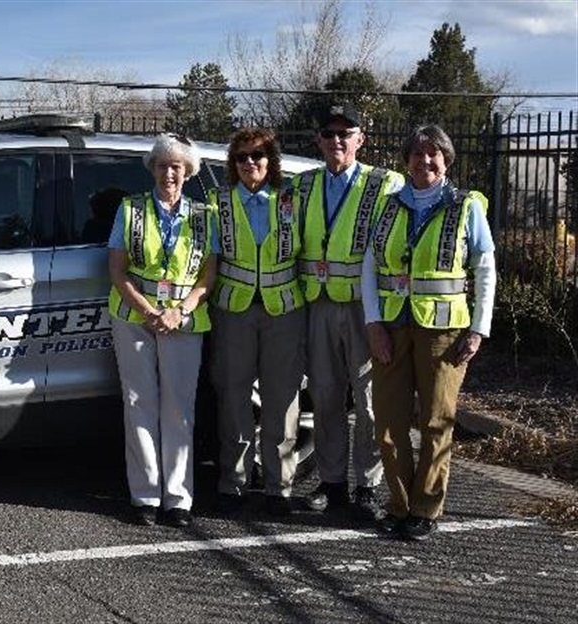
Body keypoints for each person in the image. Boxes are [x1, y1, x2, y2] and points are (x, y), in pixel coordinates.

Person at [363, 124, 496, 540]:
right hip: (392, 326)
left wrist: (478, 330)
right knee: (387, 423)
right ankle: (399, 504)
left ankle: (426, 508)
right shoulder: (388, 205)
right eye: (417, 154)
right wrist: (373, 323)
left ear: (446, 160)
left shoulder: (465, 206)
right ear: (405, 161)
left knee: (437, 420)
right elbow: (369, 268)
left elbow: (485, 268)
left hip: (444, 331)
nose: (425, 161)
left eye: (433, 154)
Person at [294, 105, 402, 520]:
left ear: (361, 139)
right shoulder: (303, 186)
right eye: (329, 132)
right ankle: (332, 481)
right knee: (324, 399)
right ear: (318, 140)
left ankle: (367, 486)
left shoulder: (385, 184)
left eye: (346, 133)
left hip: (365, 306)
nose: (337, 140)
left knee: (370, 400)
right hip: (318, 305)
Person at [108, 134, 218, 528]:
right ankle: (146, 495)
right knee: (139, 403)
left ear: (187, 172)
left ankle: (179, 498)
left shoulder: (206, 215)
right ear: (152, 168)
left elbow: (209, 276)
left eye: (177, 167)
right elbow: (117, 271)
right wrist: (151, 310)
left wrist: (179, 311)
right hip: (135, 315)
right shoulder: (131, 209)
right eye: (162, 165)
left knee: (179, 408)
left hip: (184, 319)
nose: (169, 173)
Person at [208, 128, 305, 517]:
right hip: (234, 311)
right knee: (233, 397)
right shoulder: (217, 203)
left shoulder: (293, 200)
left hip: (284, 310)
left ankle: (278, 487)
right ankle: (233, 482)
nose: (250, 162)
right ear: (233, 163)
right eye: (242, 157)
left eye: (258, 155)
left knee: (282, 400)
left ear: (272, 160)